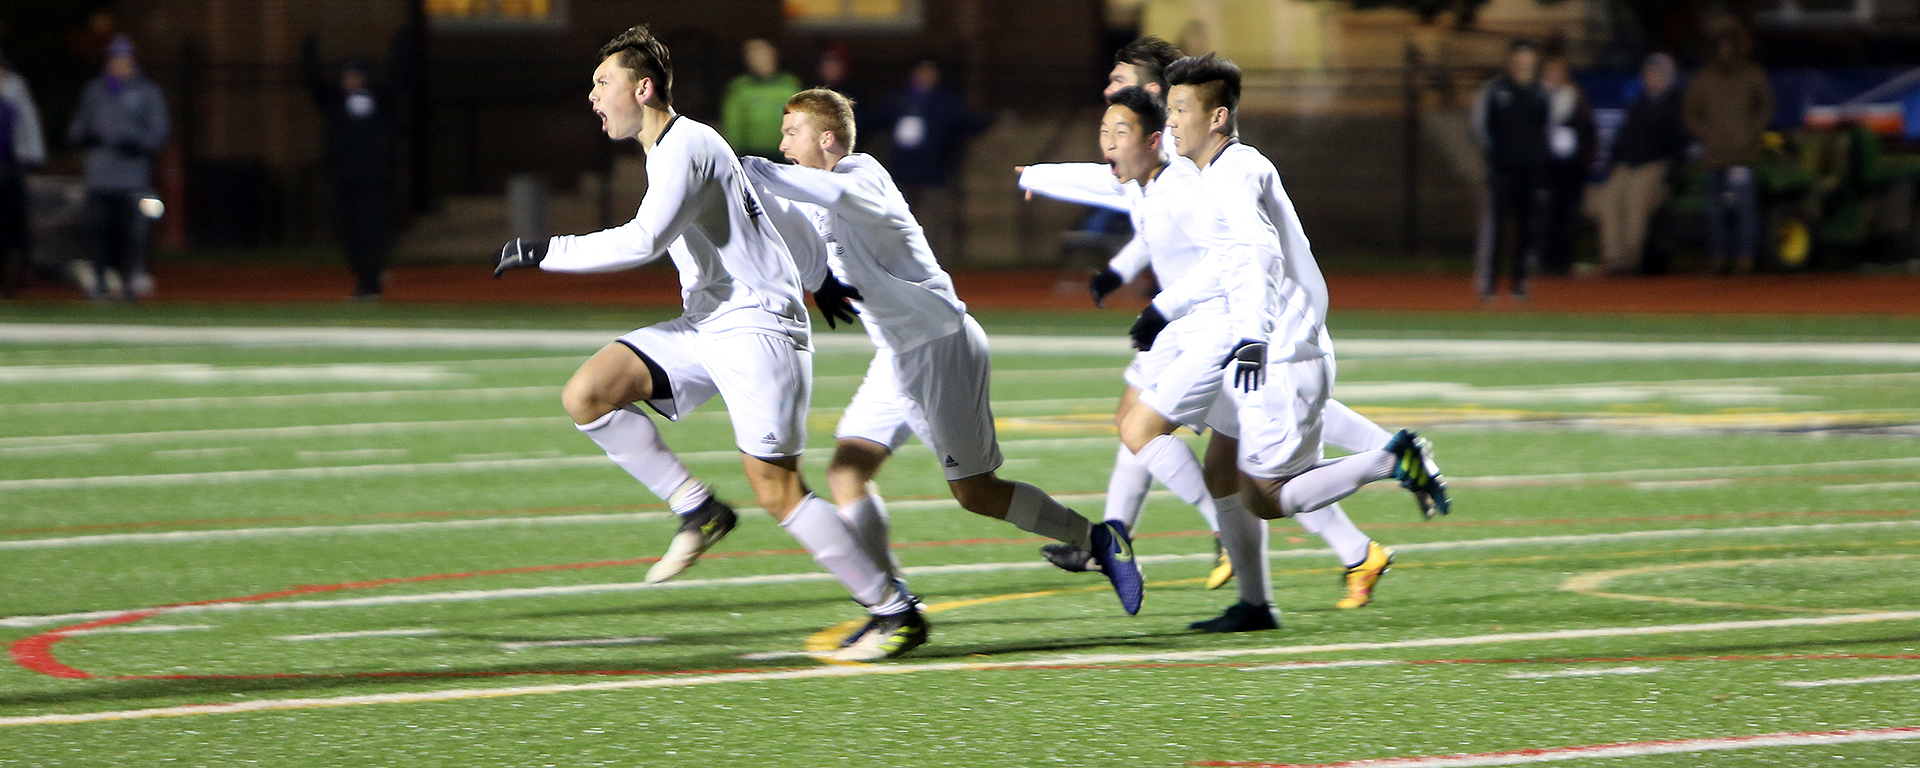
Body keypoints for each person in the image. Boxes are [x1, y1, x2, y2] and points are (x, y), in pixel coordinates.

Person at [492, 25, 913, 663]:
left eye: (603, 84)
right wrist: (819, 279)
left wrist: (545, 249)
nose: (593, 96)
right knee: (589, 394)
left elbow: (644, 240)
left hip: (757, 332)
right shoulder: (673, 150)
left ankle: (893, 610)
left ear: (644, 87)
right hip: (710, 324)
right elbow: (774, 222)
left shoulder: (687, 143)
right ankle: (699, 510)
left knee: (777, 490)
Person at [1021, 56, 1439, 625]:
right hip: (1265, 341)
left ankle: (1390, 462)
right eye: (1167, 110)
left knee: (1262, 493)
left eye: (1178, 111)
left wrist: (1246, 337)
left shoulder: (1231, 173)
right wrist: (1158, 303)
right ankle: (1257, 601)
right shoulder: (1208, 171)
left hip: (1269, 347)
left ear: (1216, 117)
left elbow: (1253, 255)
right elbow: (1222, 256)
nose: (1169, 123)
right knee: (1225, 471)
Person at [740, 88, 1146, 656]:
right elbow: (797, 235)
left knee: (976, 493)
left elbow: (823, 192)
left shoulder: (862, 174)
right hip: (899, 354)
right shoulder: (814, 193)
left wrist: (751, 168)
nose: (782, 146)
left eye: (792, 135)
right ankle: (892, 607)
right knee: (847, 470)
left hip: (940, 345)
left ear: (826, 139)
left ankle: (1099, 540)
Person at [66, 34, 168, 302]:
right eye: (114, 58)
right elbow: (76, 128)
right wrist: (86, 135)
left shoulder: (148, 92)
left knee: (133, 233)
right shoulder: (95, 91)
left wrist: (137, 142)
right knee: (97, 229)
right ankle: (101, 281)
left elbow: (159, 132)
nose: (118, 64)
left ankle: (131, 280)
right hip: (99, 176)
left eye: (123, 59)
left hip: (134, 178)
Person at [303, 39, 399, 301]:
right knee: (346, 231)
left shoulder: (380, 98)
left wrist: (402, 48)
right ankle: (367, 273)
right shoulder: (335, 100)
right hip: (344, 177)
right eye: (346, 74)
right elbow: (313, 85)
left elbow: (402, 80)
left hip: (373, 179)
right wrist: (309, 54)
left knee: (371, 230)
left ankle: (369, 285)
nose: (349, 79)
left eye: (355, 75)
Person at [1684, 24, 1774, 275]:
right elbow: (1691, 110)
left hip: (1743, 155)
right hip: (1714, 156)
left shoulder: (1752, 73)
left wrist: (1751, 130)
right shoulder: (1705, 77)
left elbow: (1767, 105)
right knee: (1716, 211)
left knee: (1745, 210)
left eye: (1730, 45)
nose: (1725, 50)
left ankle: (1745, 259)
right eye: (1721, 45)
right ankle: (1718, 258)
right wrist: (1705, 134)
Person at [878, 57, 989, 260]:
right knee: (898, 219)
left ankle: (934, 263)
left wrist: (989, 120)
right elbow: (877, 117)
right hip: (902, 169)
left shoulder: (945, 101)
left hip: (934, 171)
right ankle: (898, 261)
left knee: (935, 222)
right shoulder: (900, 98)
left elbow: (966, 121)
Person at [1593, 53, 1687, 275]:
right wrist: (1613, 162)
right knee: (1608, 200)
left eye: (1656, 73)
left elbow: (1678, 145)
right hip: (1627, 164)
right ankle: (1613, 258)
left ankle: (1629, 261)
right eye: (1648, 73)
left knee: (1636, 203)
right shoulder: (1639, 102)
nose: (1650, 77)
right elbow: (1623, 137)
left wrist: (1671, 174)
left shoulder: (1675, 104)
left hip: (1654, 165)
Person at [1470, 39, 1549, 303]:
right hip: (1502, 171)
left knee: (1526, 228)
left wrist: (1538, 161)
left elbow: (1546, 130)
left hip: (1530, 173)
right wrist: (1495, 157)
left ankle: (1520, 281)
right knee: (1495, 227)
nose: (1524, 65)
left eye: (1529, 60)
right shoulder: (1495, 91)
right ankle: (1488, 283)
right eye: (1520, 59)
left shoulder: (1540, 93)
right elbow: (1482, 129)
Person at [1539, 52, 1595, 278]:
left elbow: (1588, 132)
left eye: (1558, 72)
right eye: (1550, 72)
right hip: (1545, 166)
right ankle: (1546, 259)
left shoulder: (1575, 97)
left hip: (1571, 168)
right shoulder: (1537, 97)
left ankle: (1564, 260)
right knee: (1546, 213)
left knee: (1568, 214)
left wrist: (1585, 160)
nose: (1554, 76)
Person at [0, 46, 47, 297]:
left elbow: (27, 123)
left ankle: (13, 280)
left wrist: (32, 155)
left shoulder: (14, 88)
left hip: (9, 169)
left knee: (12, 228)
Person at [721, 39, 800, 162]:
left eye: (762, 54)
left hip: (786, 154)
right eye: (751, 56)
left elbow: (803, 119)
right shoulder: (740, 87)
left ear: (773, 55)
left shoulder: (789, 84)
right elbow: (732, 123)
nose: (757, 60)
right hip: (751, 154)